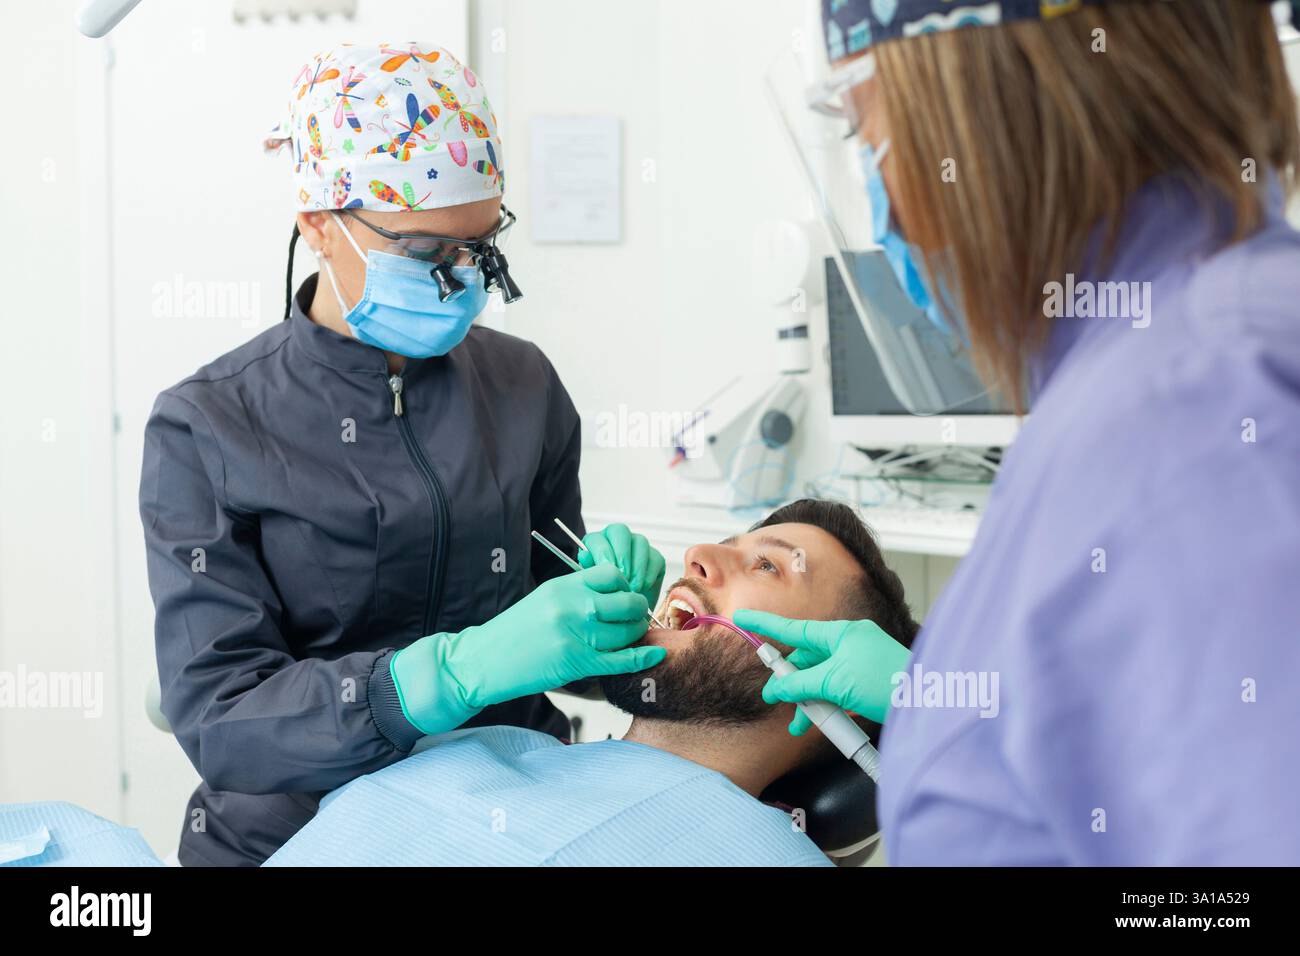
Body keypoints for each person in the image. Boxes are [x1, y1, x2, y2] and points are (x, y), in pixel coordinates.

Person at [743, 0, 1300, 864]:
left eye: (864, 128)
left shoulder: (1197, 417)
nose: (876, 189)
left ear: (981, 103)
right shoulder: (1167, 369)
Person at [139, 42, 665, 866]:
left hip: (509, 811)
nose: (461, 278)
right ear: (319, 223)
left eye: (480, 247)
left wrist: (621, 617)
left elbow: (559, 623)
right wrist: (439, 679)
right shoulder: (206, 425)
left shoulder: (521, 384)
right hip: (299, 834)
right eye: (427, 252)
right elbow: (222, 718)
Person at [264, 499, 918, 866]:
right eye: (726, 540)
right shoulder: (482, 743)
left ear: (833, 685)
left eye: (769, 567)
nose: (696, 556)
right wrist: (455, 669)